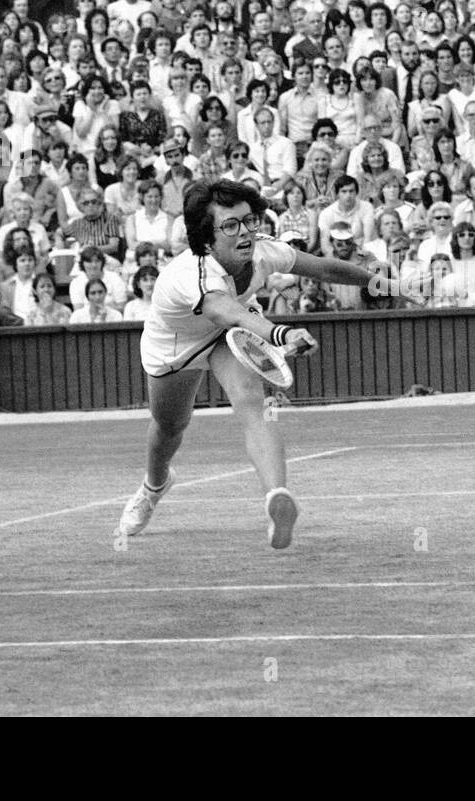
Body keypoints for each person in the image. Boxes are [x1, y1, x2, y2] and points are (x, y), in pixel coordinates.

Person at [117, 179, 417, 549]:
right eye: (230, 225)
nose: (244, 232)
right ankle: (153, 486)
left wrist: (386, 285)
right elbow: (227, 311)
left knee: (252, 402)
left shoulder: (262, 251)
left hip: (229, 336)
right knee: (169, 426)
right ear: (206, 238)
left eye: (249, 220)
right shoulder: (188, 275)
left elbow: (325, 268)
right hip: (175, 346)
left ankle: (277, 498)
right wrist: (282, 335)